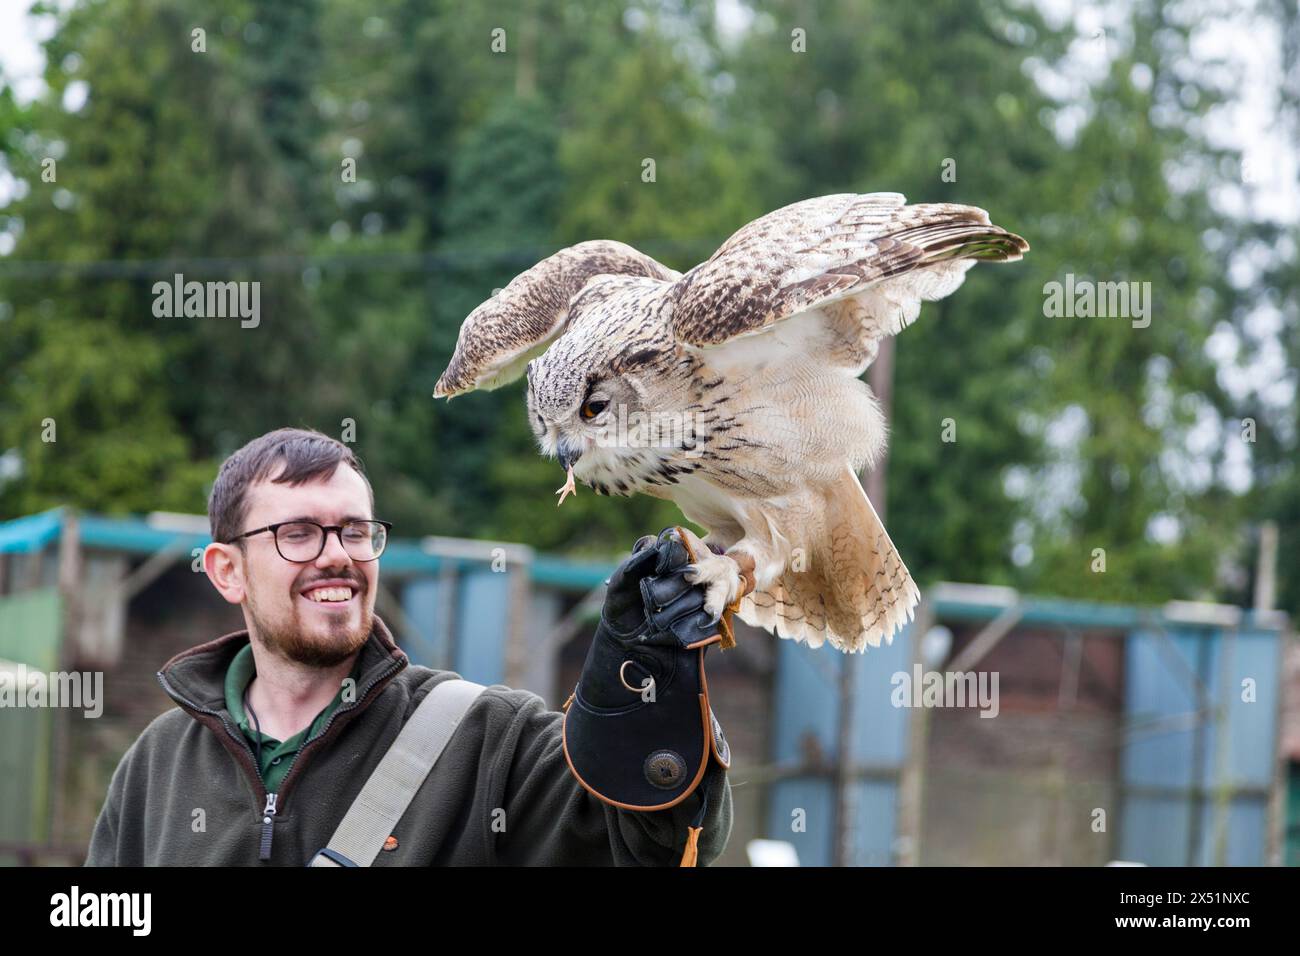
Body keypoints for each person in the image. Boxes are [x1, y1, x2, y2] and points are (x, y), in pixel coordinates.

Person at [84, 427, 732, 866]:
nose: (337, 556)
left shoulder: (485, 737)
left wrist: (649, 692)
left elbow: (653, 843)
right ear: (227, 570)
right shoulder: (157, 764)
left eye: (356, 531)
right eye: (300, 534)